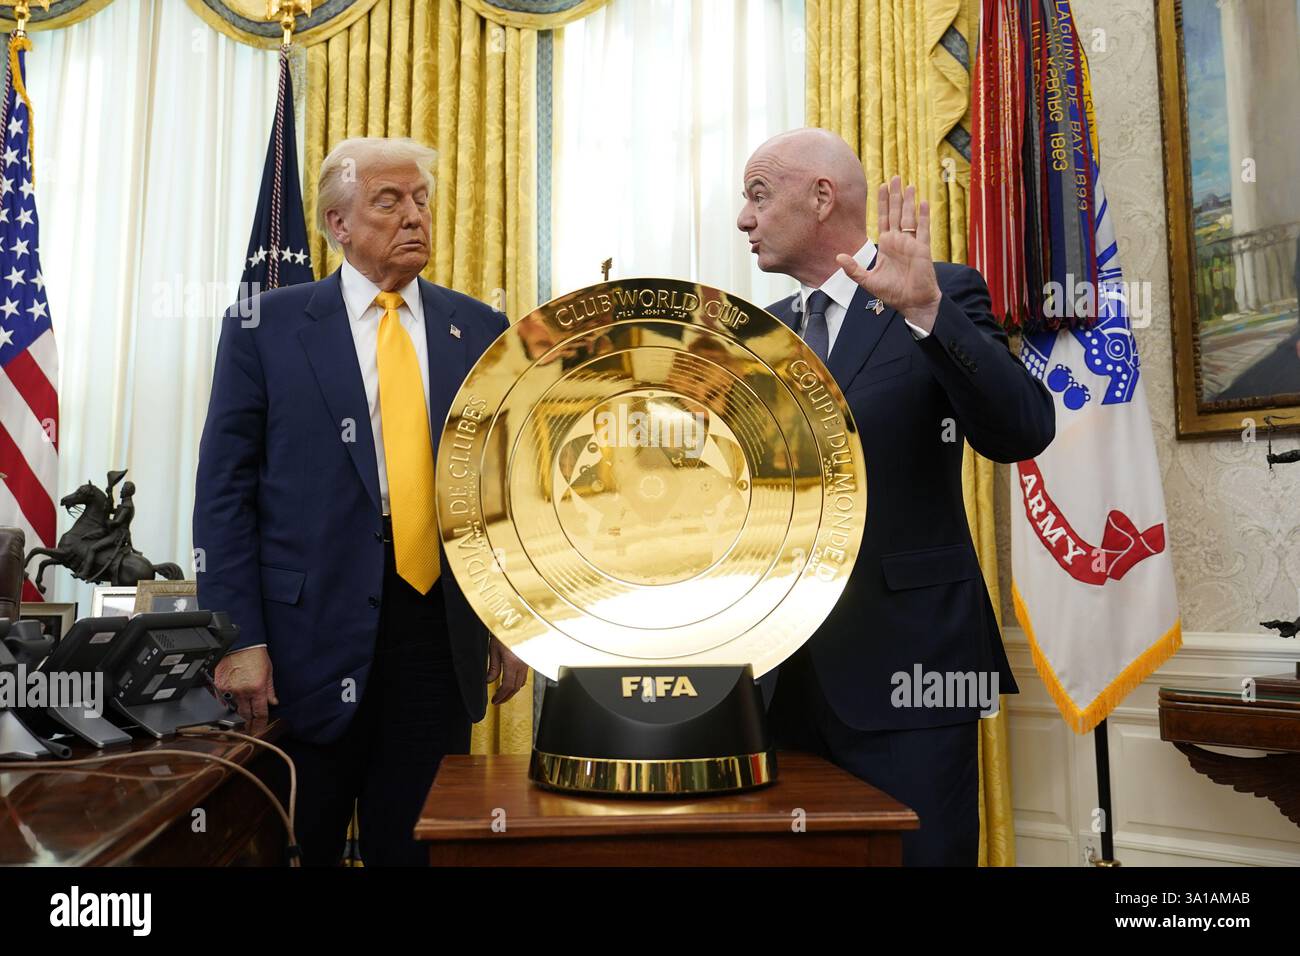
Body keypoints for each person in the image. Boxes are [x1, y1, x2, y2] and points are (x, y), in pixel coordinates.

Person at [194, 136, 527, 866]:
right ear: (338, 224)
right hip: (300, 639)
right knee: (295, 845)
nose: (415, 216)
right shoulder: (265, 327)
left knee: (412, 850)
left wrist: (511, 617)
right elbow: (223, 493)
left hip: (437, 633)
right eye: (390, 201)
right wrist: (238, 638)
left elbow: (503, 492)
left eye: (421, 200)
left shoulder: (480, 331)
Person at [737, 128, 1054, 865]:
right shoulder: (761, 336)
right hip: (779, 680)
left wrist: (926, 316)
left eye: (759, 195)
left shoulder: (941, 291)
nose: (744, 219)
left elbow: (1022, 429)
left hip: (917, 670)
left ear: (821, 198)